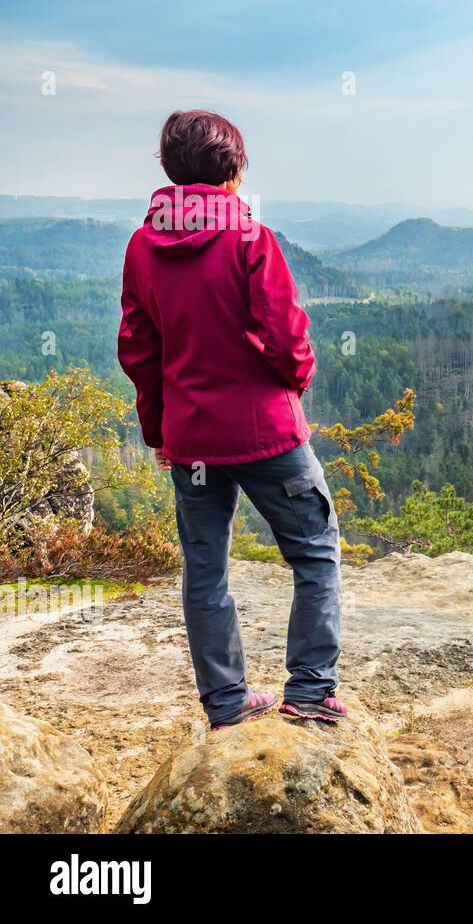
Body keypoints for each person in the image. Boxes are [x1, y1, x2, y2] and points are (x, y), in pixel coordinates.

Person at [117, 109, 346, 731]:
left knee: (205, 568)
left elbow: (139, 352)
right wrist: (294, 380)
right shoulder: (250, 238)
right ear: (232, 169)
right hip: (267, 434)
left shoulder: (143, 246)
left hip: (191, 441)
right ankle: (309, 690)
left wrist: (159, 432)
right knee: (315, 553)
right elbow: (286, 336)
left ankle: (225, 702)